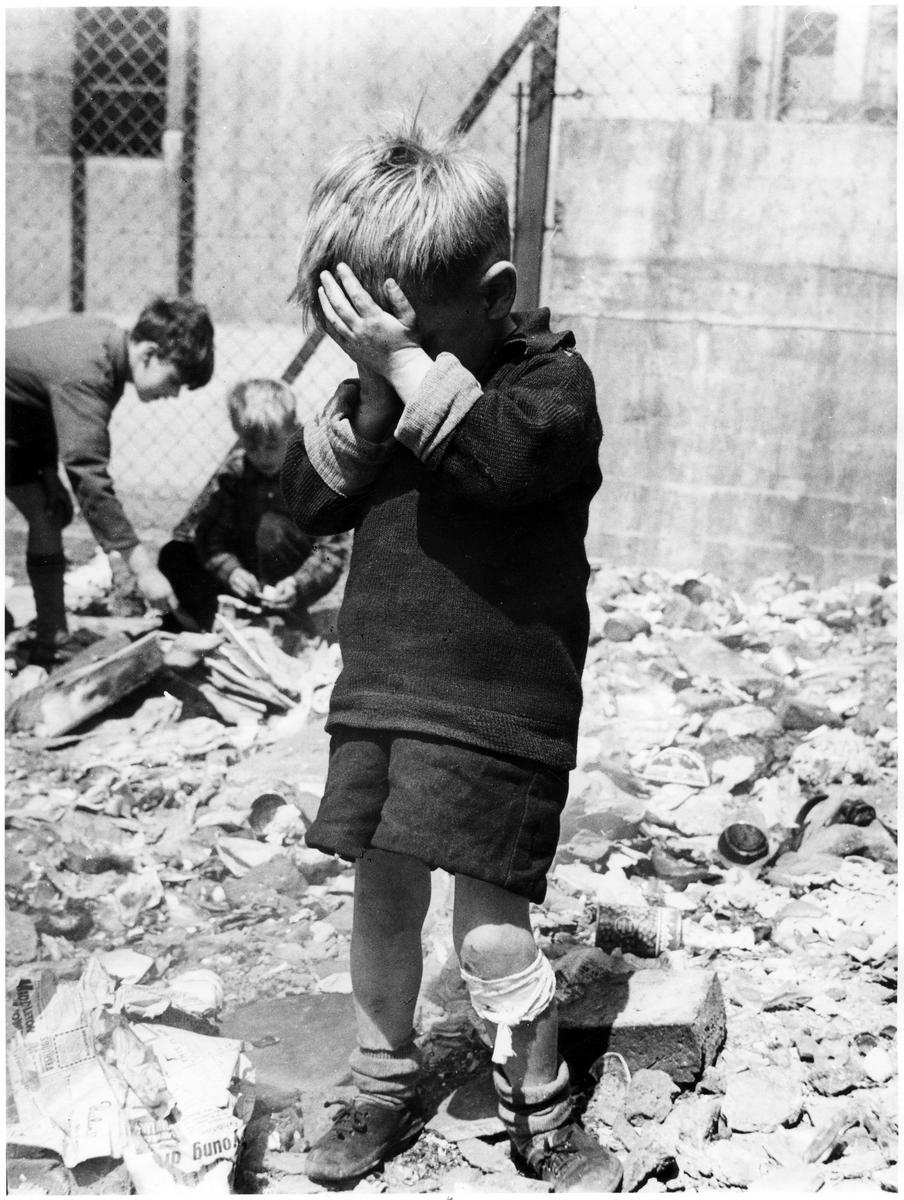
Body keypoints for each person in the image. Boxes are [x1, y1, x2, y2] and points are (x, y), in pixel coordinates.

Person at [281, 124, 620, 1192]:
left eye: (402, 330)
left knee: (488, 936)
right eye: (358, 332)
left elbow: (503, 464)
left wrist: (407, 368)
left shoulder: (547, 389)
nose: (378, 350)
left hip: (496, 709)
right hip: (383, 693)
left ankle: (541, 1105)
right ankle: (382, 1081)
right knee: (381, 899)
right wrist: (376, 397)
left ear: (496, 293)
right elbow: (303, 512)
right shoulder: (390, 392)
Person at [6, 297, 215, 665]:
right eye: (174, 380)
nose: (174, 393)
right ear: (149, 354)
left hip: (14, 428)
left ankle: (52, 636)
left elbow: (37, 403)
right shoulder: (91, 368)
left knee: (47, 513)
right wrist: (143, 569)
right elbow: (89, 475)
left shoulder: (107, 347)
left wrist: (48, 473)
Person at [157, 378, 350, 632]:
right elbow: (211, 537)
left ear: (293, 430)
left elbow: (329, 550)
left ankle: (277, 617)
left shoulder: (312, 472)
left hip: (288, 581)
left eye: (271, 446)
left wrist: (297, 583)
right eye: (251, 446)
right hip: (243, 579)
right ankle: (224, 625)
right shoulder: (235, 474)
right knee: (174, 553)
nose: (261, 456)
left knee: (270, 527)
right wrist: (232, 571)